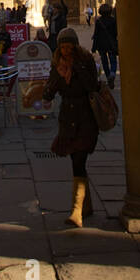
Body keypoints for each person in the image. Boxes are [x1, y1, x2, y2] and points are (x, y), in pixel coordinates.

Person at [41, 28, 99, 227]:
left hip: (85, 117)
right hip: (67, 118)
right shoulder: (57, 64)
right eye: (63, 47)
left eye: (69, 46)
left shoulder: (86, 60)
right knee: (76, 160)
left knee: (79, 161)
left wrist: (77, 69)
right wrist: (53, 82)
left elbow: (92, 86)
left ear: (75, 46)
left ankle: (77, 211)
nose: (66, 50)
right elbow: (49, 93)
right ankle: (86, 206)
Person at [91, 4, 118, 88]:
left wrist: (93, 48)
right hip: (111, 44)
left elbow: (96, 35)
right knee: (113, 60)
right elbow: (116, 33)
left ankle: (108, 76)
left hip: (101, 45)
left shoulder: (99, 21)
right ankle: (112, 74)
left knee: (104, 62)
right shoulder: (113, 20)